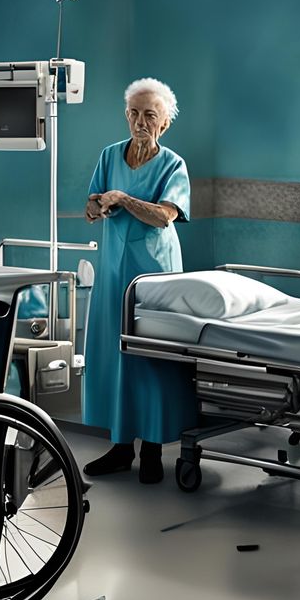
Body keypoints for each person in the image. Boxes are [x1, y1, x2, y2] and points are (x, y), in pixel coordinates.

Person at [80, 78, 196, 483]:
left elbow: (165, 215)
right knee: (114, 354)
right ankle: (119, 446)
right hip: (113, 269)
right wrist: (98, 207)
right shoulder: (110, 156)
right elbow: (91, 206)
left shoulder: (172, 164)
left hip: (154, 273)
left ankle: (152, 450)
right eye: (134, 113)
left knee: (151, 358)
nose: (140, 121)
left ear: (165, 123)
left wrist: (123, 199)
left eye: (150, 115)